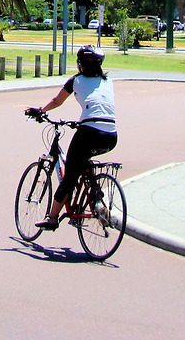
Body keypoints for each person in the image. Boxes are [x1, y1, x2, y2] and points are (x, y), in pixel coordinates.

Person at [26, 44, 118, 232]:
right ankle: (96, 199)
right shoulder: (108, 81)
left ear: (80, 64)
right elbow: (98, 104)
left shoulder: (76, 80)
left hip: (89, 132)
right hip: (111, 135)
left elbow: (57, 101)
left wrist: (40, 111)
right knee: (83, 161)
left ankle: (52, 218)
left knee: (69, 175)